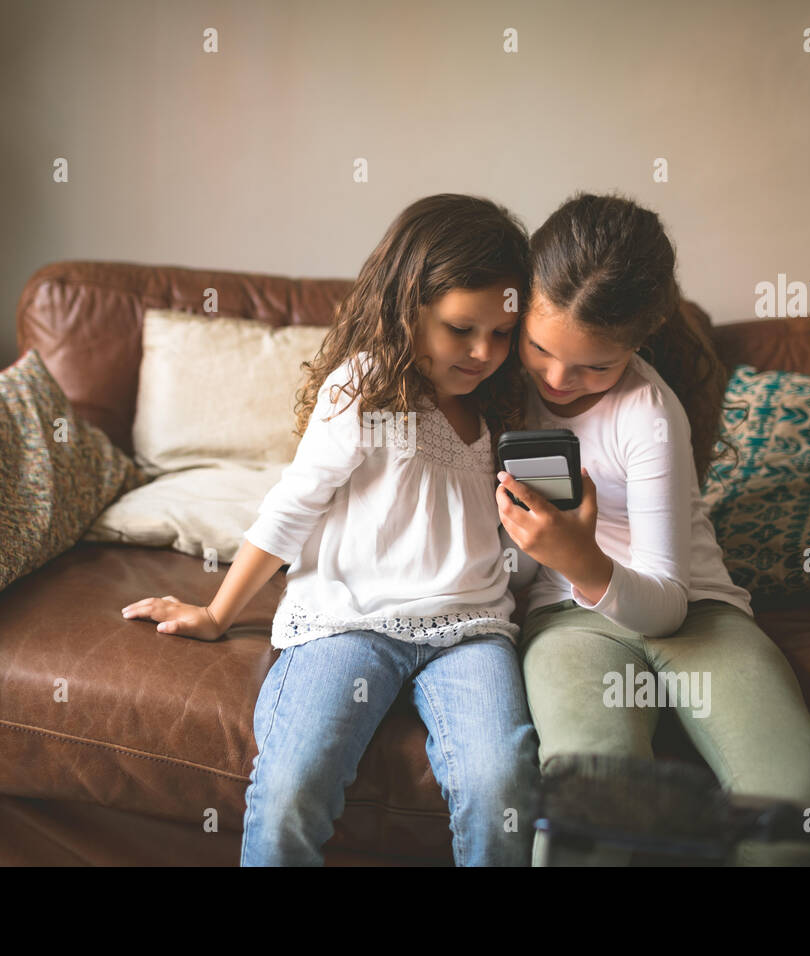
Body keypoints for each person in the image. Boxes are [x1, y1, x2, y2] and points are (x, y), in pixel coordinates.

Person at [122, 194, 540, 866]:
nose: (483, 351)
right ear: (407, 307)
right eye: (462, 328)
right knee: (293, 784)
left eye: (502, 333)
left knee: (501, 786)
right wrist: (217, 613)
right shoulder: (368, 386)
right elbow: (293, 506)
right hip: (350, 620)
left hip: (470, 629)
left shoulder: (502, 407)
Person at [497, 191, 810, 866]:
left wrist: (580, 557)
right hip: (569, 620)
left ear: (640, 340)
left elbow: (666, 608)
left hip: (694, 610)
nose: (558, 379)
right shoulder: (494, 383)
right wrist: (541, 555)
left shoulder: (649, 413)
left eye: (595, 365)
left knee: (799, 792)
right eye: (539, 347)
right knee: (592, 797)